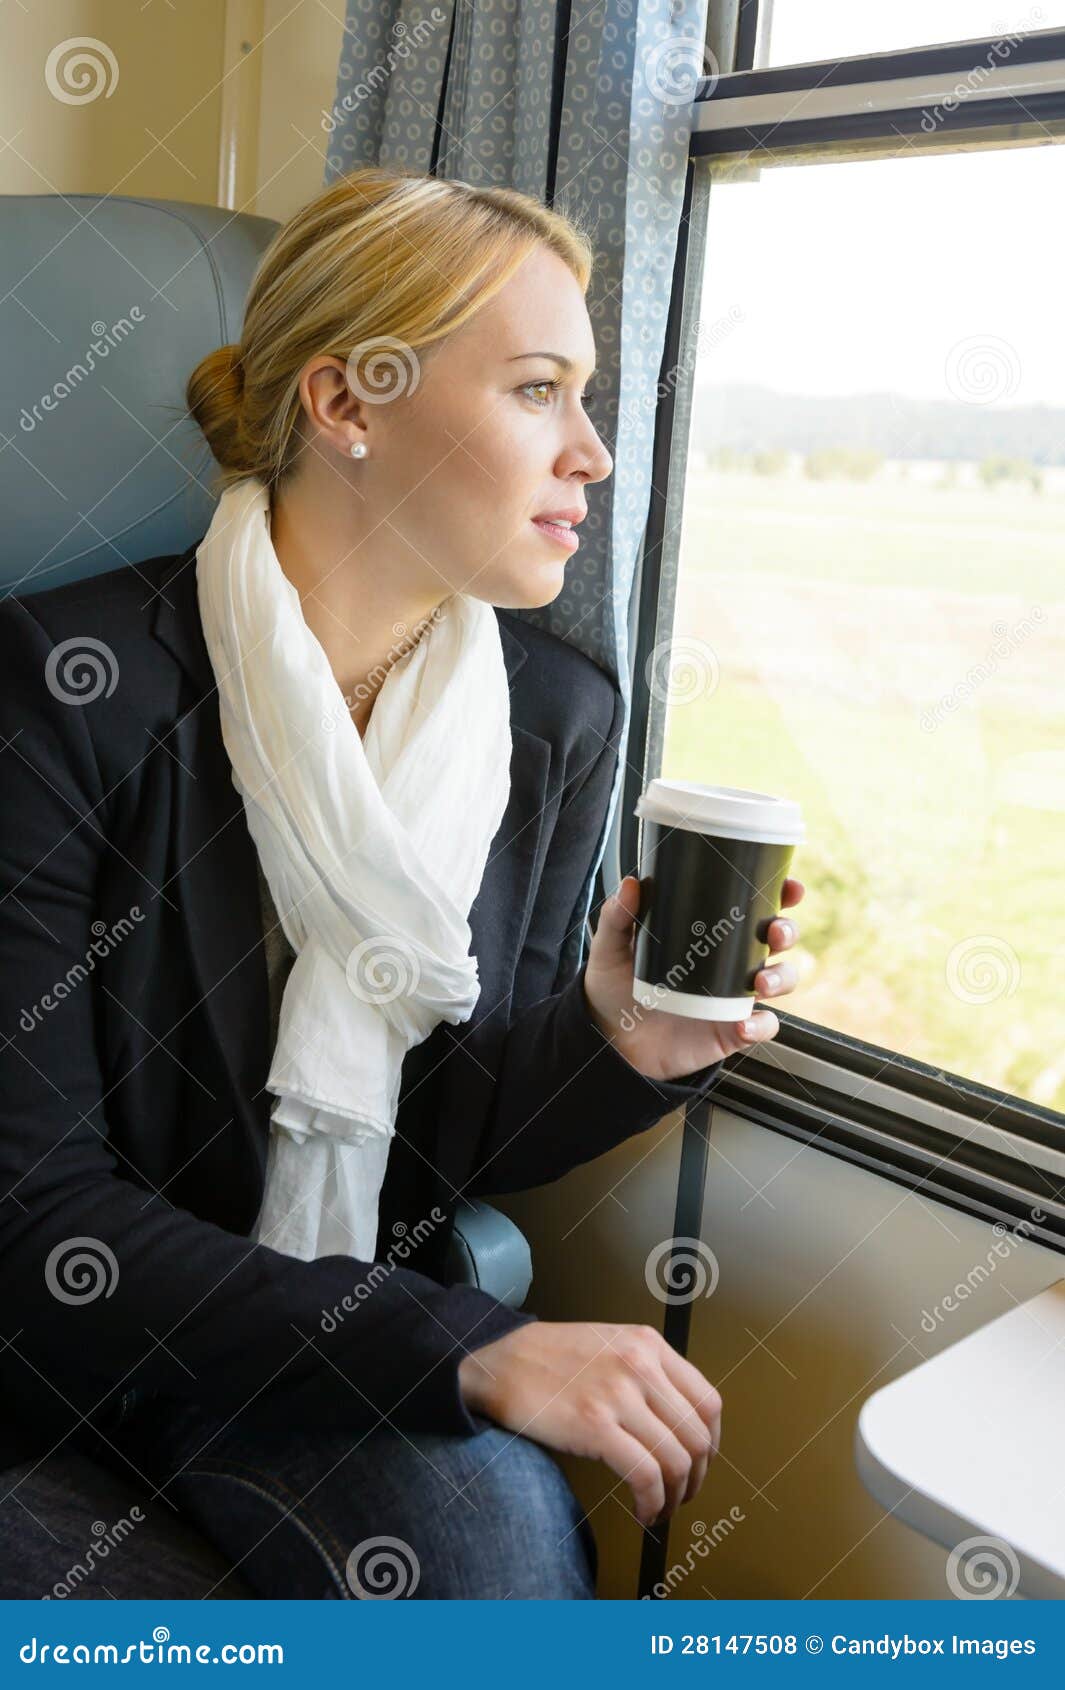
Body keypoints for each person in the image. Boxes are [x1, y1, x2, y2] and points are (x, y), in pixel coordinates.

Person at [0, 166, 803, 1599]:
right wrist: (468, 1345)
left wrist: (627, 1040)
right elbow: (35, 1218)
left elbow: (441, 1126)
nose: (593, 455)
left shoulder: (550, 721)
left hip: (310, 1350)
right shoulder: (64, 694)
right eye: (538, 390)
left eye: (586, 395)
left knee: (487, 1536)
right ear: (348, 404)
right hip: (55, 1365)